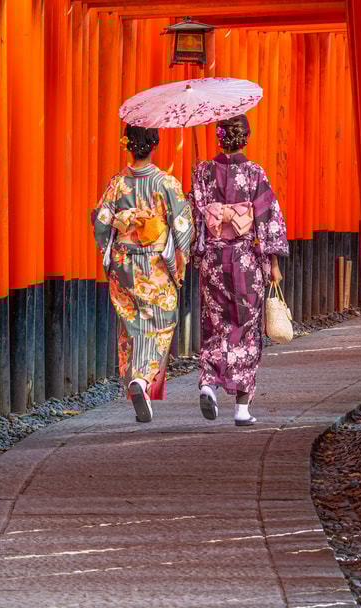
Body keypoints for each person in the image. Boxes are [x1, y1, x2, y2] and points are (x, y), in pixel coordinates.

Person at [189, 114, 288, 426]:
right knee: (245, 328)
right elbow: (269, 218)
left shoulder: (202, 171)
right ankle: (242, 407)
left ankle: (208, 383)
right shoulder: (254, 172)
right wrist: (272, 263)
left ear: (220, 137)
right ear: (246, 137)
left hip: (214, 260)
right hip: (245, 259)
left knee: (214, 322)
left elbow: (193, 216)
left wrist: (198, 251)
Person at [91, 124, 194, 423]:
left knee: (131, 322)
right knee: (161, 322)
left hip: (124, 262)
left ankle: (135, 382)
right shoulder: (167, 184)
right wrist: (181, 258)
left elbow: (101, 222)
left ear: (128, 145)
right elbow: (182, 227)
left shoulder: (117, 184)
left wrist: (110, 252)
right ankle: (142, 379)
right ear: (155, 144)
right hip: (156, 264)